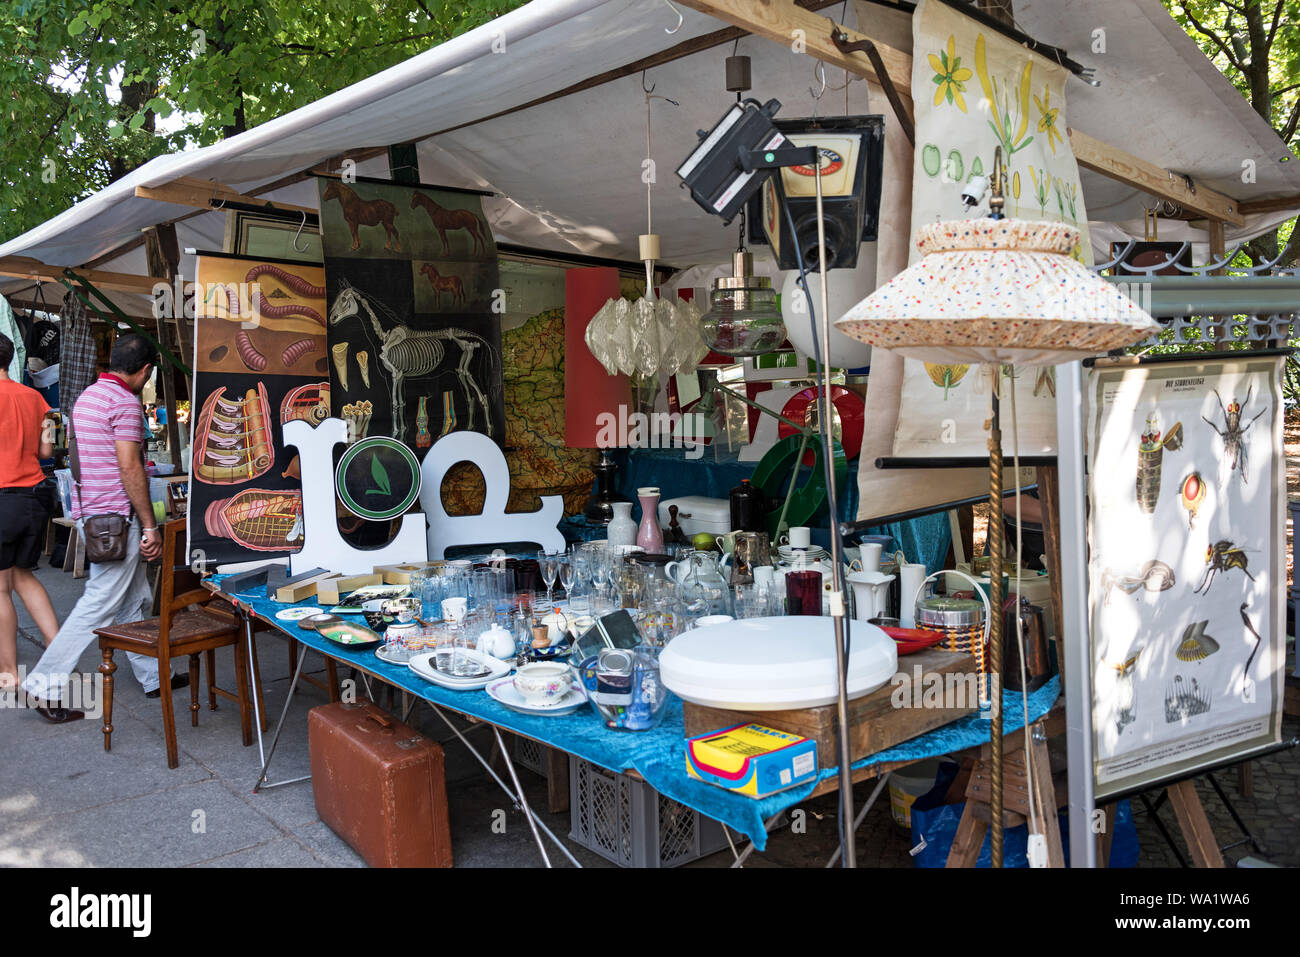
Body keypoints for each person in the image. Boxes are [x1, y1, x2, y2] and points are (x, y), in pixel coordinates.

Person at [21, 335, 186, 722]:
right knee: (96, 605)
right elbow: (131, 468)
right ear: (145, 371)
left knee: (131, 600)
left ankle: (154, 677)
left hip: (92, 514)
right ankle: (42, 686)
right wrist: (150, 526)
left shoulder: (89, 397)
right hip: (115, 518)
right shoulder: (125, 403)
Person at [0, 332, 60, 692]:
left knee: (0, 589)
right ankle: (58, 651)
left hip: (2, 497)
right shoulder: (38, 399)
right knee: (22, 576)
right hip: (34, 498)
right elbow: (46, 451)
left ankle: (7, 673)